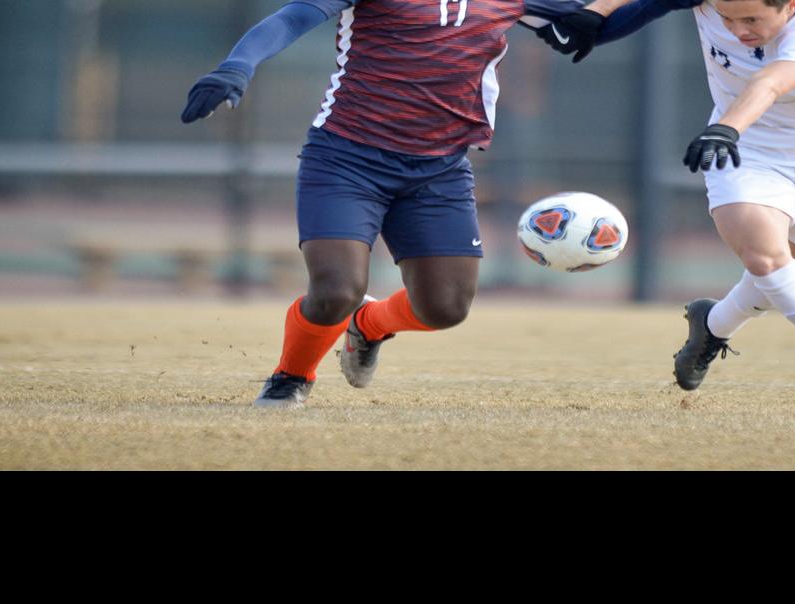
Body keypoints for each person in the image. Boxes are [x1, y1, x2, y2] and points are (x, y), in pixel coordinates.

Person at [182, 0, 632, 407]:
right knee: (336, 290)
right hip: (346, 158)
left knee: (445, 307)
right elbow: (294, 16)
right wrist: (237, 66)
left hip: (440, 169)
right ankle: (291, 378)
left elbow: (591, 25)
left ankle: (368, 325)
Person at [536, 0, 795, 412]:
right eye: (726, 19)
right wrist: (595, 13)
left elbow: (770, 82)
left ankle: (713, 324)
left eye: (752, 19)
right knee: (768, 264)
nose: (738, 31)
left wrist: (726, 127)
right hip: (746, 151)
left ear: (790, 6)